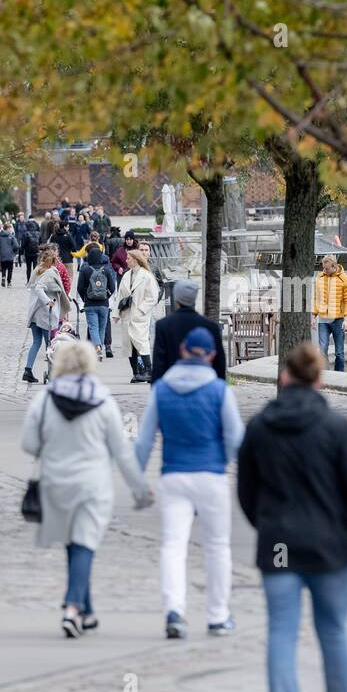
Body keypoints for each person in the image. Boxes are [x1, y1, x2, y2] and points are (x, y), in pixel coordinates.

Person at [237, 342, 347, 692]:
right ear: (319, 380)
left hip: (279, 545)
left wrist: (267, 525)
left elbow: (246, 492)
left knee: (281, 634)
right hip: (327, 544)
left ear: (285, 377)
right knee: (333, 633)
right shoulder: (335, 428)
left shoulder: (259, 427)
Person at [22, 340, 151, 637]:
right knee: (85, 542)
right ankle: (71, 607)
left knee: (74, 543)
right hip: (93, 483)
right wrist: (139, 489)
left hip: (56, 481)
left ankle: (87, 611)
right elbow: (121, 450)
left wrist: (49, 445)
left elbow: (29, 443)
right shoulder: (103, 400)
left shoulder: (45, 399)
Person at [135, 327, 245, 638]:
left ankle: (174, 611)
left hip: (173, 474)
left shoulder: (162, 390)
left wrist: (136, 480)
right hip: (211, 476)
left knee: (173, 544)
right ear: (210, 355)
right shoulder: (219, 391)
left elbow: (143, 442)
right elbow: (236, 438)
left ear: (183, 352)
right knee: (217, 546)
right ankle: (218, 615)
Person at [150, 280, 226, 382]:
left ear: (176, 297)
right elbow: (219, 363)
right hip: (203, 384)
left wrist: (157, 389)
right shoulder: (211, 326)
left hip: (172, 384)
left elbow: (159, 363)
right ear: (194, 298)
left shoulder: (163, 325)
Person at [116, 249, 161, 383]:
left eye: (128, 258)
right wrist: (116, 313)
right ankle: (136, 373)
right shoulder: (126, 275)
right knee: (129, 346)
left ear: (135, 259)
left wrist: (141, 310)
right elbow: (120, 295)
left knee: (141, 343)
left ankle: (149, 371)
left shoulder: (146, 276)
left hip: (139, 315)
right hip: (127, 314)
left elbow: (153, 297)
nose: (126, 260)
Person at [25, 245, 67, 383]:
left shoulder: (37, 271)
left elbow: (32, 287)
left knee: (36, 342)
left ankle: (28, 369)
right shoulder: (49, 273)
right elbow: (39, 288)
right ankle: (54, 372)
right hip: (45, 314)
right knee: (51, 344)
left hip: (35, 312)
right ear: (54, 261)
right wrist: (48, 301)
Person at [311, 254, 347, 372]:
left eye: (327, 268)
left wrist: (346, 319)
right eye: (323, 268)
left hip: (338, 320)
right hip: (323, 320)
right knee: (322, 348)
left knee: (339, 352)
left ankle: (339, 375)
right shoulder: (320, 277)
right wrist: (314, 316)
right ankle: (325, 374)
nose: (324, 270)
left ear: (334, 266)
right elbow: (316, 298)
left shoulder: (344, 279)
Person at [77, 243, 117, 358]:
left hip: (90, 304)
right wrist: (106, 296)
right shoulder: (106, 270)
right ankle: (100, 347)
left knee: (93, 326)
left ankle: (97, 347)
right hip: (104, 304)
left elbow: (80, 287)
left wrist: (85, 297)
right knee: (102, 327)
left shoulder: (85, 270)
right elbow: (112, 287)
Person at [20, 217, 40, 283]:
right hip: (36, 253)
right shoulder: (38, 234)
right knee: (35, 268)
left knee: (28, 268)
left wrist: (21, 253)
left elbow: (23, 245)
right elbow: (41, 243)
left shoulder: (25, 234)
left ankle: (29, 281)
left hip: (28, 254)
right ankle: (34, 281)